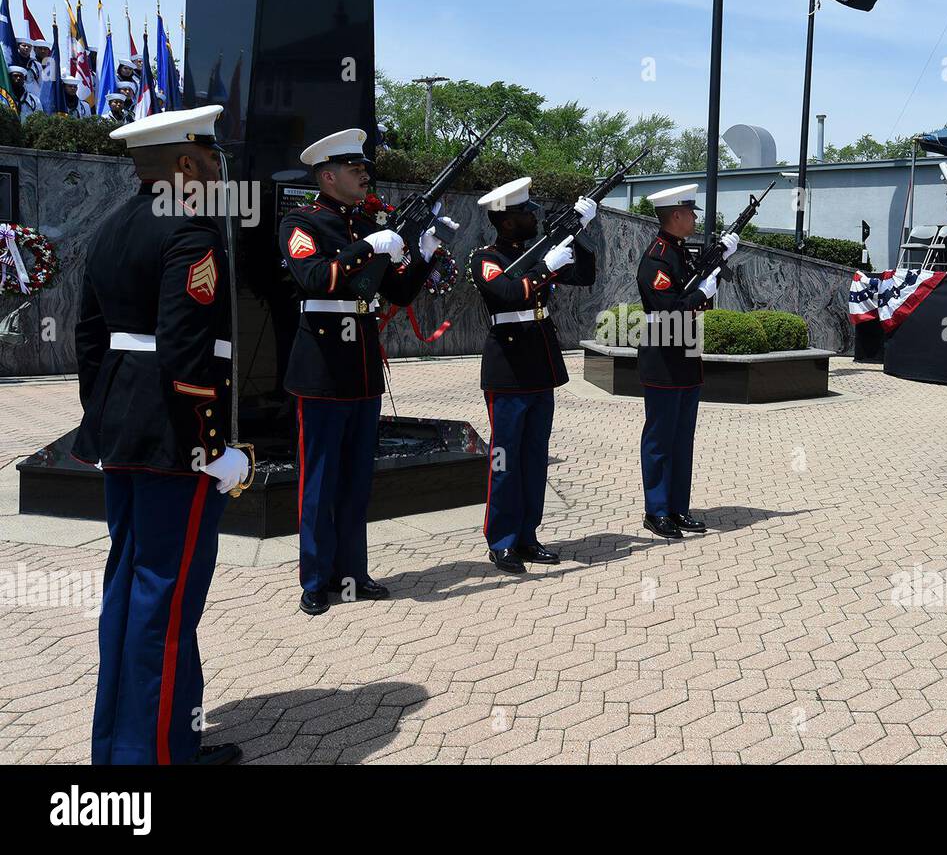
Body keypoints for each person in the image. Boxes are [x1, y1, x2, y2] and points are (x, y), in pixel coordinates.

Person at [73, 105, 249, 765]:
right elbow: (183, 349)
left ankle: (139, 744)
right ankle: (152, 760)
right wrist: (212, 448)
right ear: (183, 162)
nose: (215, 165)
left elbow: (89, 340)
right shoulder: (193, 230)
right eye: (208, 154)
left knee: (131, 590)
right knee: (165, 604)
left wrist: (107, 422)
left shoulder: (112, 227)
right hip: (177, 445)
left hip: (126, 436)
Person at [279, 128, 436, 616]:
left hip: (362, 369)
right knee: (320, 478)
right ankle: (315, 577)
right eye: (355, 168)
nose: (365, 173)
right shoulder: (300, 222)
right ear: (328, 176)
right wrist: (370, 247)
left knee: (354, 480)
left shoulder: (359, 226)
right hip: (322, 369)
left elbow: (400, 293)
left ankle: (351, 573)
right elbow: (316, 278)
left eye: (364, 167)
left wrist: (424, 255)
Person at [469, 179, 598, 573]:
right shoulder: (485, 258)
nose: (534, 217)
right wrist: (546, 267)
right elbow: (509, 294)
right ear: (507, 222)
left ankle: (527, 535)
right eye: (526, 213)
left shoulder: (536, 253)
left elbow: (585, 275)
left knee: (534, 458)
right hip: (507, 368)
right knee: (505, 459)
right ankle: (502, 540)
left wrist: (578, 234)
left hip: (540, 367)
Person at [637, 184, 738, 539]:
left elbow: (691, 293)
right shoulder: (656, 258)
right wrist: (702, 292)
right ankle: (657, 510)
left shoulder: (679, 254)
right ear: (675, 215)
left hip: (685, 355)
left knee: (682, 439)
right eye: (691, 212)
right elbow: (668, 310)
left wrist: (719, 257)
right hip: (663, 355)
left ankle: (678, 508)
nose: (695, 218)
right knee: (660, 438)